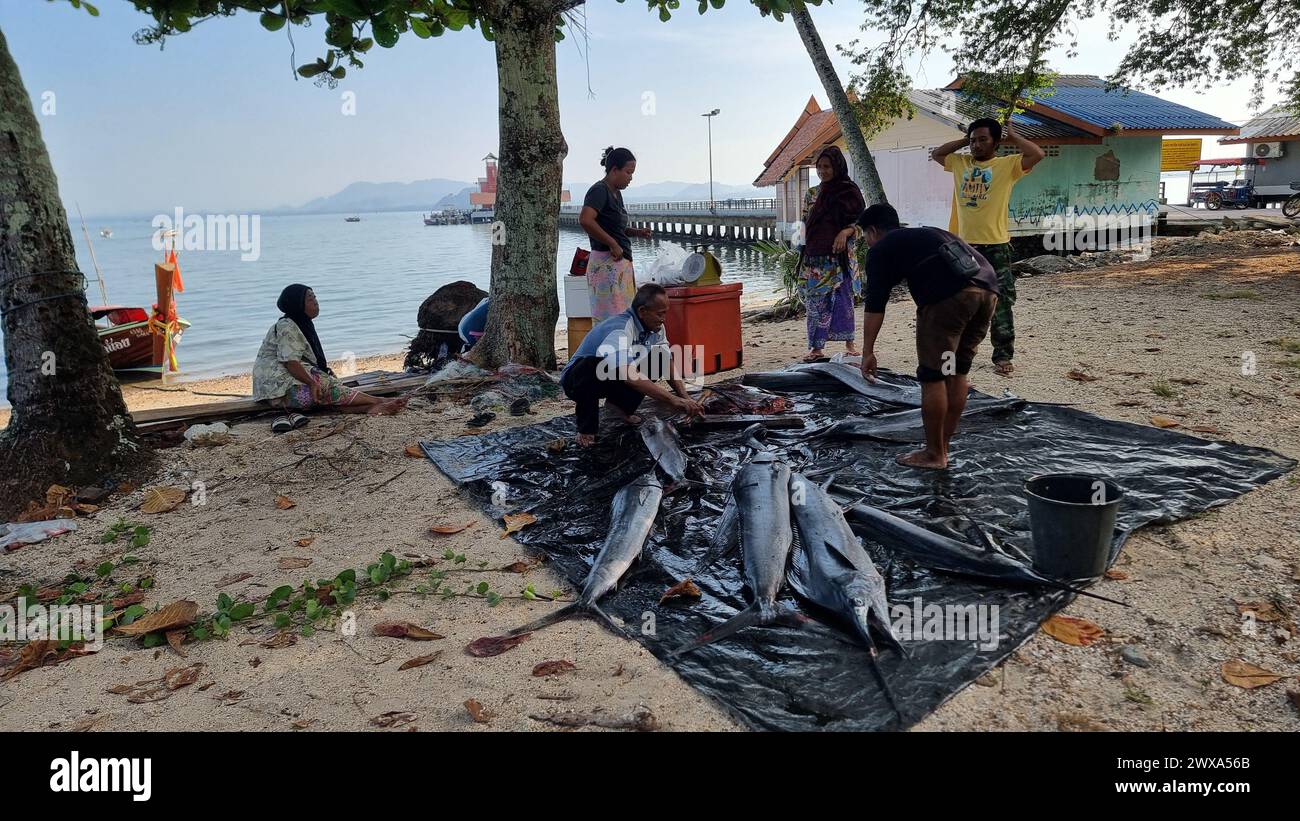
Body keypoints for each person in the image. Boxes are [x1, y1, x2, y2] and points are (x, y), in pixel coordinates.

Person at [856, 203, 1000, 470]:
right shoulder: (924, 234)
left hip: (949, 299)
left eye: (864, 236)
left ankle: (934, 454)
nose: (866, 242)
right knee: (955, 371)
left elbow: (875, 304)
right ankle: (942, 447)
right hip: (988, 291)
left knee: (933, 376)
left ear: (873, 231)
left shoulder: (880, 249)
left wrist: (868, 351)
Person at [931, 117, 1045, 376]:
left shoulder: (1008, 165)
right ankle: (953, 355)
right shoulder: (960, 163)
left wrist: (1014, 137)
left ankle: (1003, 356)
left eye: (983, 139)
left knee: (1000, 301)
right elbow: (938, 153)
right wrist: (963, 138)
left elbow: (1036, 153)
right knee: (957, 300)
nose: (976, 145)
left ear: (996, 142)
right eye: (973, 141)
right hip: (963, 245)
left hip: (996, 245)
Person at [560, 283, 704, 447]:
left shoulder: (657, 328)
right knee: (591, 366)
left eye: (665, 313)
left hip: (612, 375)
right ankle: (586, 429)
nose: (664, 319)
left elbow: (666, 361)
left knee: (658, 358)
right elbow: (629, 377)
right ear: (642, 311)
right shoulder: (620, 329)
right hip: (578, 380)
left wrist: (684, 398)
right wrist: (673, 400)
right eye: (660, 314)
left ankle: (619, 408)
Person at [252, 284, 406, 432]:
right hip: (275, 388)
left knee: (325, 387)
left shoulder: (301, 324)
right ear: (297, 305)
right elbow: (291, 362)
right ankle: (379, 401)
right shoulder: (287, 326)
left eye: (315, 297)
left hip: (285, 379)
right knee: (322, 388)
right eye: (310, 299)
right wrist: (312, 382)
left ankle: (369, 406)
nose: (316, 302)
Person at [799, 146, 865, 362]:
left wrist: (846, 232)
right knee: (815, 303)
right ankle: (816, 348)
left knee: (844, 300)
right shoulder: (812, 194)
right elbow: (805, 223)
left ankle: (850, 344)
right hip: (815, 259)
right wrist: (801, 250)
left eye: (826, 167)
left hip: (840, 258)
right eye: (819, 167)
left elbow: (861, 225)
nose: (822, 171)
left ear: (837, 167)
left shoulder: (850, 192)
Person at [580, 146, 653, 321]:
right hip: (606, 266)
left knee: (625, 317)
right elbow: (586, 220)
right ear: (614, 170)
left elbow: (614, 227)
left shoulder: (616, 194)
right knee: (610, 320)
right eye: (628, 172)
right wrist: (613, 244)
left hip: (620, 266)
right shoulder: (599, 190)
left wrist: (636, 232)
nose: (631, 178)